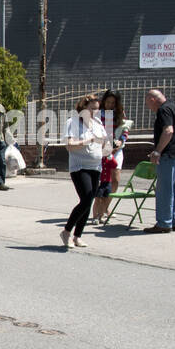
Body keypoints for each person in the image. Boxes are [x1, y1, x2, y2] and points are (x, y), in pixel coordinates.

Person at [61, 94, 107, 248]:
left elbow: (104, 143)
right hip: (79, 167)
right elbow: (69, 145)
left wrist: (113, 146)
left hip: (96, 167)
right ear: (83, 108)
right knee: (87, 198)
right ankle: (66, 231)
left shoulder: (98, 123)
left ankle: (77, 236)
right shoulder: (73, 122)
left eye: (97, 110)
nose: (95, 112)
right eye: (92, 109)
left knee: (88, 201)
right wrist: (87, 141)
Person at [143, 88, 175, 233]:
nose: (148, 107)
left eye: (147, 104)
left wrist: (157, 151)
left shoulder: (164, 110)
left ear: (152, 100)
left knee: (164, 190)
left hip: (169, 155)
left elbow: (168, 131)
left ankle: (164, 223)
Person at [92, 89, 130, 223]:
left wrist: (121, 140)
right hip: (102, 150)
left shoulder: (120, 114)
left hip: (116, 149)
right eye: (108, 102)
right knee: (102, 179)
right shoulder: (98, 114)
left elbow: (125, 130)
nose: (110, 105)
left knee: (116, 179)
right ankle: (97, 209)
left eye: (113, 103)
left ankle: (106, 206)